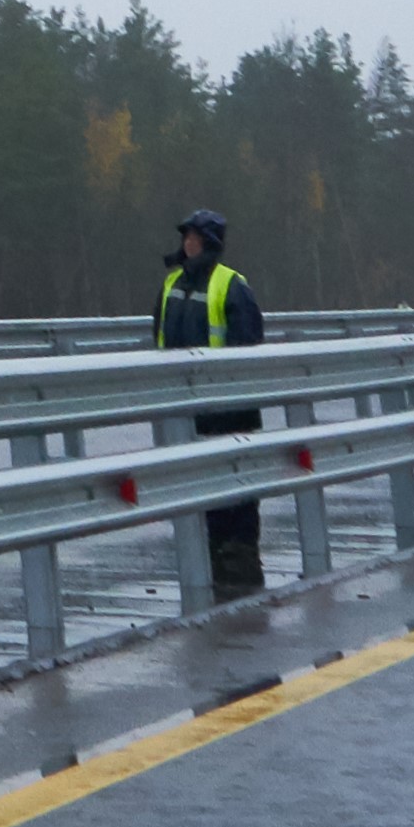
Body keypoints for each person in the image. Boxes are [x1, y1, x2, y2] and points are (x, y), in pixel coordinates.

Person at [154, 203, 266, 599]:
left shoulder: (230, 283)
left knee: (237, 483)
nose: (188, 244)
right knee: (203, 484)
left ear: (210, 243)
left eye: (196, 239)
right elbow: (159, 339)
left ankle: (240, 560)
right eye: (186, 238)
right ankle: (215, 558)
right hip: (190, 405)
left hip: (229, 406)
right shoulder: (172, 285)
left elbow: (248, 342)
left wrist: (232, 392)